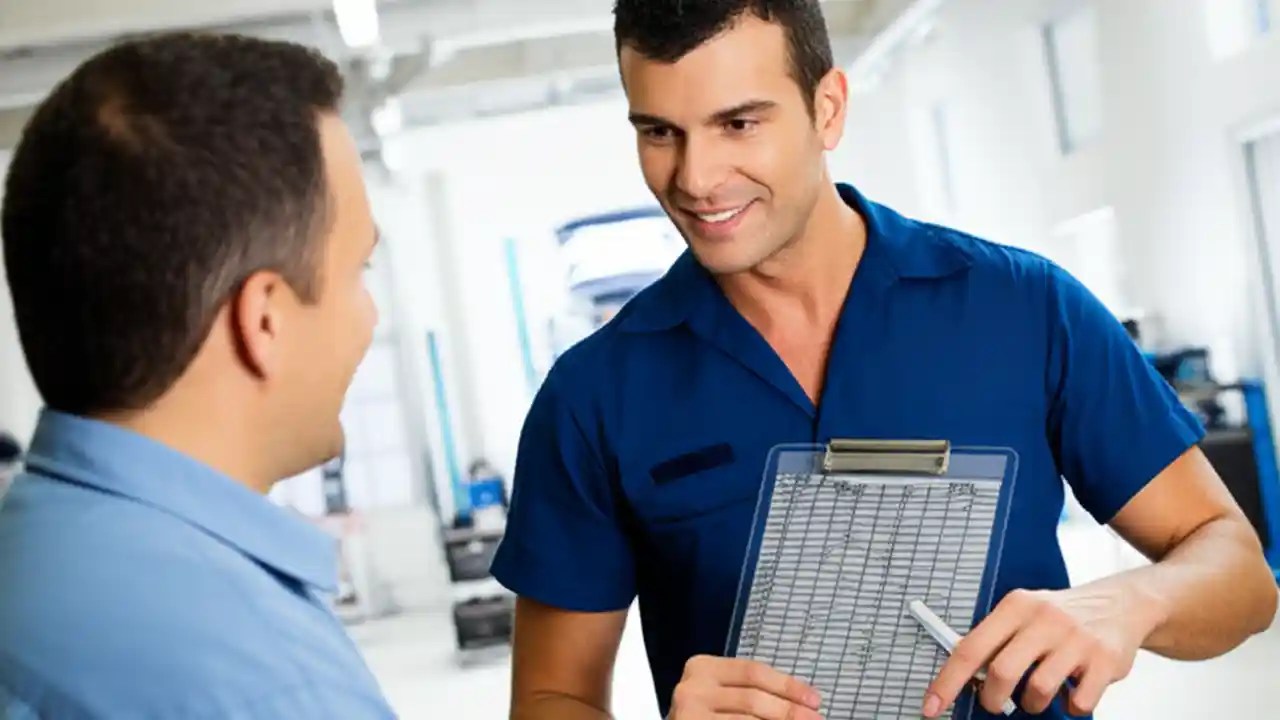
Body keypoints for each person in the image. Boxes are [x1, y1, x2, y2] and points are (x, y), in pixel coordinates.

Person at [490, 2, 1279, 719]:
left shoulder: (1025, 307)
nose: (694, 179)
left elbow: (1239, 575)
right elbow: (551, 698)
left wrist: (1131, 603)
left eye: (739, 123)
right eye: (659, 131)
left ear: (826, 108)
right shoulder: (592, 396)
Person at [0, 32, 393, 718]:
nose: (370, 316)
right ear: (264, 320)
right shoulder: (270, 686)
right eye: (358, 272)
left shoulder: (29, 563)